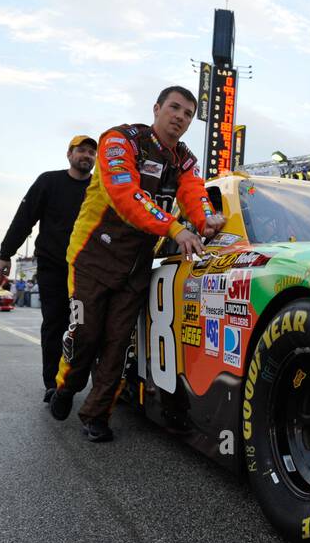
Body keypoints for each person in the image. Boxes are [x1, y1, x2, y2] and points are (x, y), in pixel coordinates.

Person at [50, 86, 225, 442]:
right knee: (85, 335)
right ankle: (66, 386)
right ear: (157, 108)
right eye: (174, 108)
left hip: (135, 267)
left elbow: (195, 195)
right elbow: (124, 195)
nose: (180, 117)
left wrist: (208, 220)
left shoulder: (185, 159)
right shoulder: (119, 140)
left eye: (188, 113)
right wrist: (175, 228)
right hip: (91, 258)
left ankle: (97, 415)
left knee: (118, 343)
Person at [0, 136, 97, 402]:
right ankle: (53, 383)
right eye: (81, 151)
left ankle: (80, 380)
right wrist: (6, 253)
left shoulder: (99, 188)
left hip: (87, 271)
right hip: (53, 267)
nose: (86, 156)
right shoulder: (48, 181)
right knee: (54, 323)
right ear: (69, 154)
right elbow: (24, 218)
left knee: (84, 326)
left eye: (91, 152)